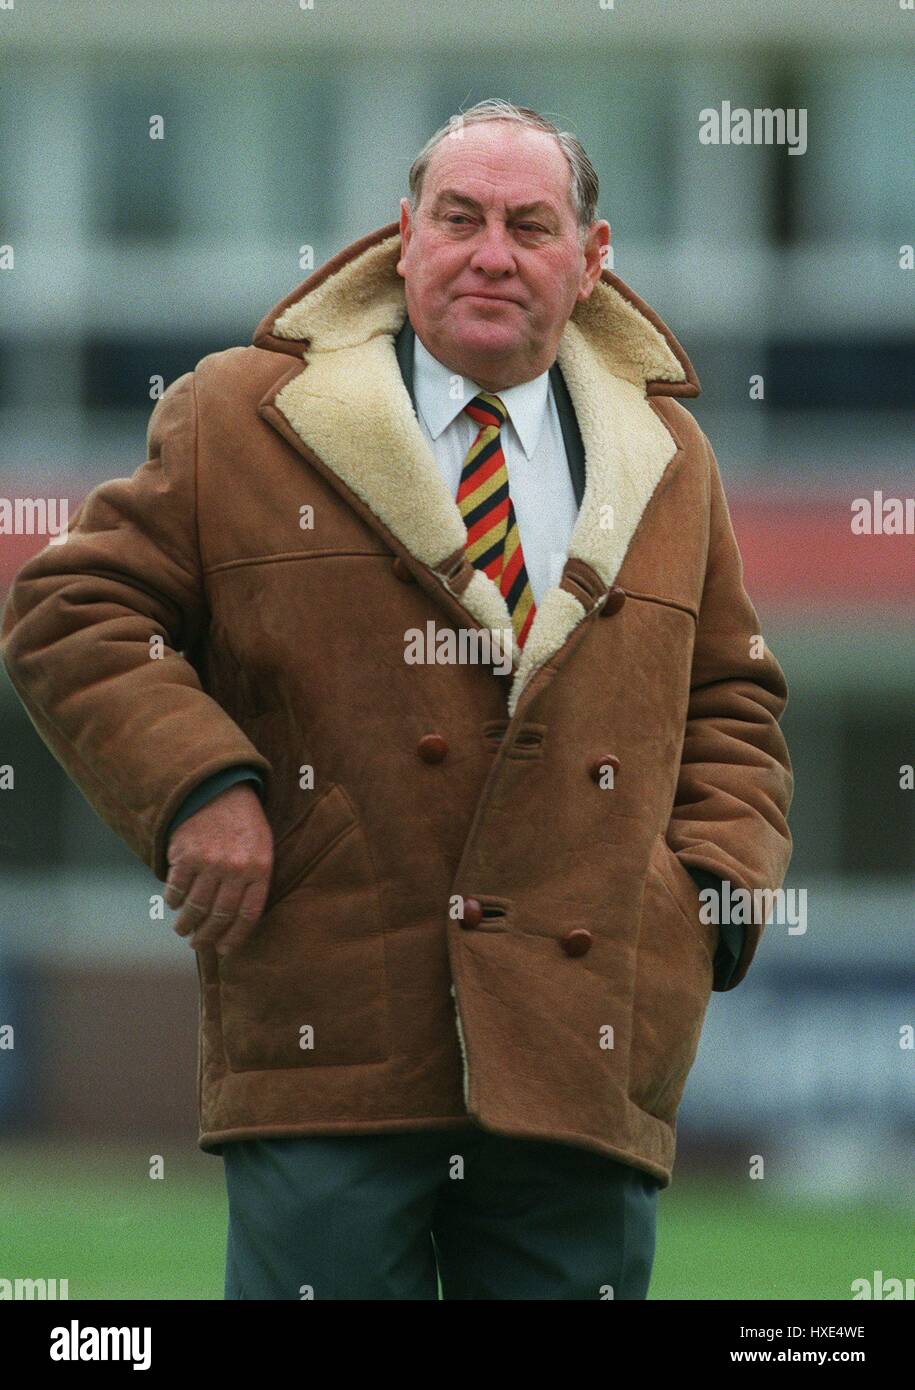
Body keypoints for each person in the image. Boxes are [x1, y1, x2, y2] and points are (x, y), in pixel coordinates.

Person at [0, 99, 793, 1299]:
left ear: (592, 261)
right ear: (403, 238)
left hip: (581, 1050)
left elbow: (734, 697)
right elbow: (71, 610)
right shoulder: (239, 414)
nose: (491, 251)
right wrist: (202, 788)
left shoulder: (670, 457)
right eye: (459, 217)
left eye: (530, 226)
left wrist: (706, 901)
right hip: (333, 1030)